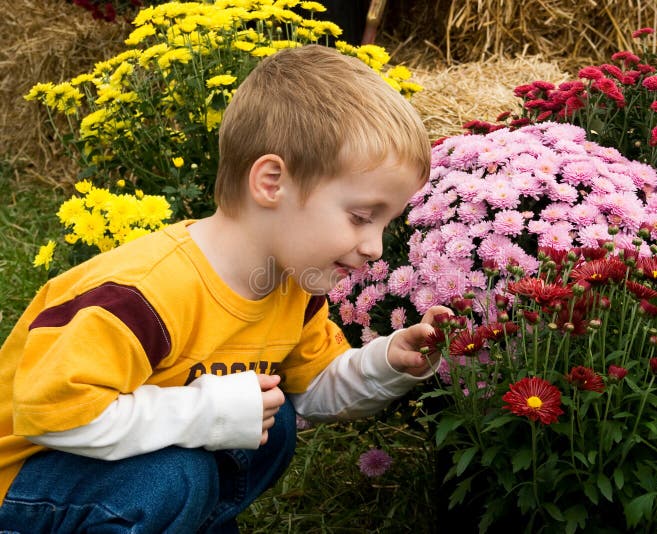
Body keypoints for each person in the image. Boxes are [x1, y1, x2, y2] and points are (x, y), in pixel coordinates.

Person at [0, 44, 446, 532]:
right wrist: (206, 412)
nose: (376, 247)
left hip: (112, 467)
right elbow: (50, 414)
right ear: (272, 182)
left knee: (269, 430)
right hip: (24, 481)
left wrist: (387, 362)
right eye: (362, 217)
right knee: (179, 474)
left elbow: (313, 391)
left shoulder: (289, 287)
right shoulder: (142, 295)